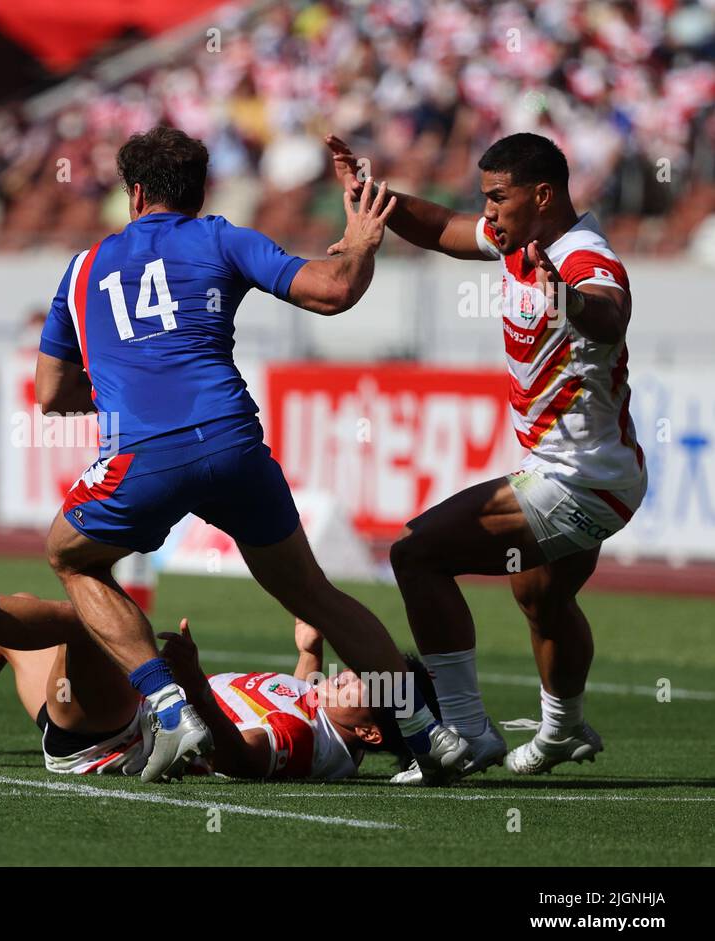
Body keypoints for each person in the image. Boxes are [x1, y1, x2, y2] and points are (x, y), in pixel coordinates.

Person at [31, 127, 469, 782]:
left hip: (143, 454)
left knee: (69, 556)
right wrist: (362, 241)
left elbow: (50, 393)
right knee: (315, 595)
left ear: (136, 193)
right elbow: (333, 291)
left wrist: (123, 386)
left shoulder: (85, 266)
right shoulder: (220, 238)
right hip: (233, 442)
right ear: (199, 191)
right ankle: (425, 733)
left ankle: (171, 708)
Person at [325, 131, 646, 780]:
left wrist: (569, 299)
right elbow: (441, 227)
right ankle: (562, 730)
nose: (489, 211)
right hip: (595, 472)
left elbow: (608, 315)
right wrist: (370, 195)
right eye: (487, 198)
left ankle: (468, 732)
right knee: (542, 598)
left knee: (416, 555)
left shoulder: (585, 260)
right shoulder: (517, 239)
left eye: (499, 198)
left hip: (577, 481)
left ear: (543, 195)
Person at [0, 521, 438, 781]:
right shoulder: (322, 712)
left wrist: (187, 684)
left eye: (364, 685)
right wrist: (309, 648)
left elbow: (245, 756)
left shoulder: (313, 740)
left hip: (121, 738)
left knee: (89, 618)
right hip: (118, 717)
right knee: (6, 632)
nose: (353, 675)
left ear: (376, 736)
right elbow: (299, 699)